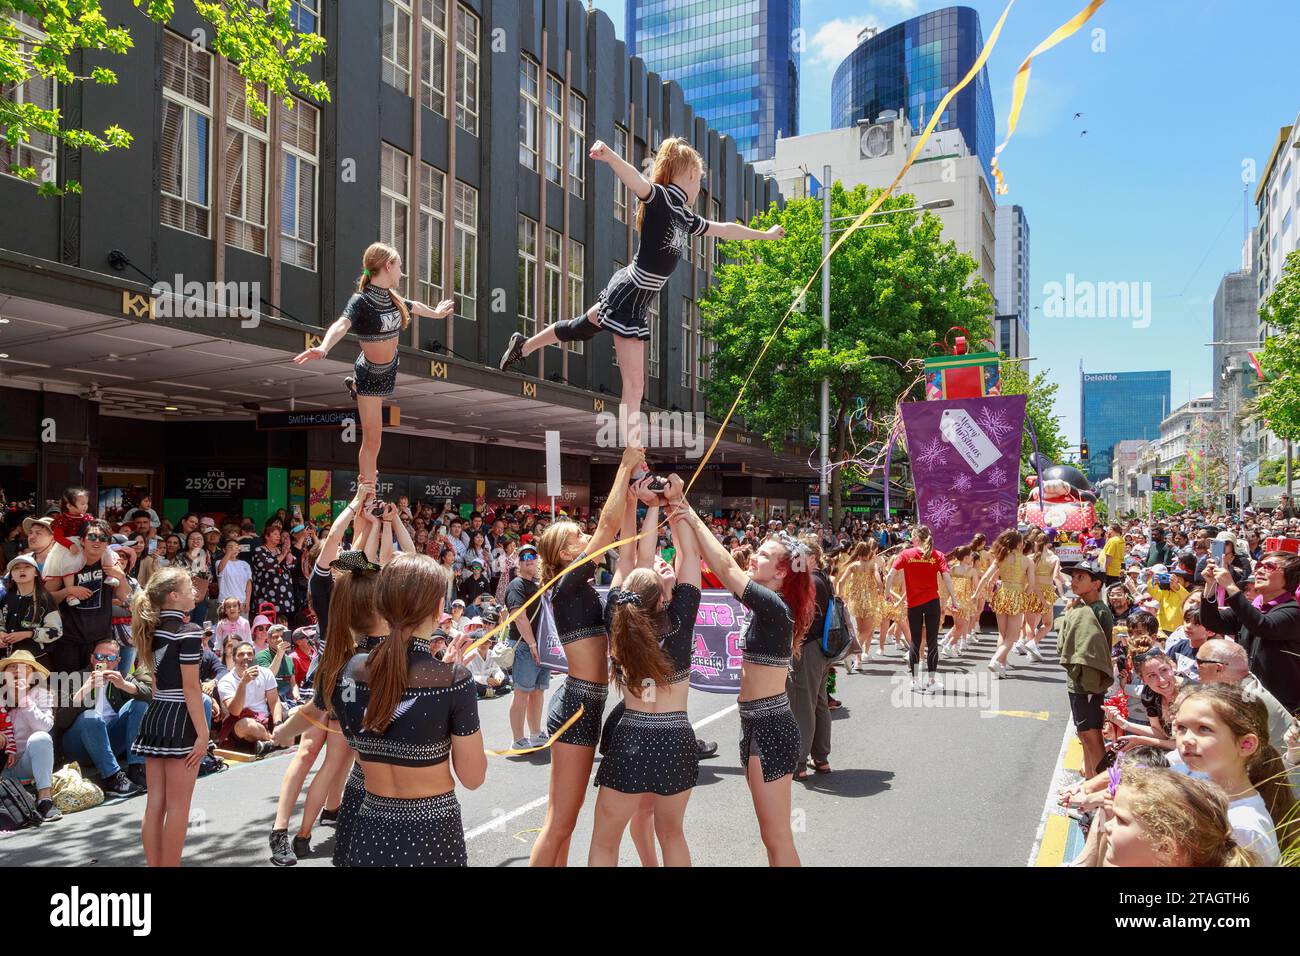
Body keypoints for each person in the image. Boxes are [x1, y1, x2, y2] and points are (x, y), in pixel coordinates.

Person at [498, 137, 784, 447]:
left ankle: (523, 345)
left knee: (582, 328)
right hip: (631, 292)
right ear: (689, 174)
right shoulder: (661, 198)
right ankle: (633, 457)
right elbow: (635, 179)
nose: (698, 189)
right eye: (699, 181)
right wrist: (609, 157)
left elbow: (726, 229)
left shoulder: (685, 216)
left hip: (634, 294)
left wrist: (764, 236)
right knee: (634, 386)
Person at [669, 477, 814, 867]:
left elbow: (727, 568)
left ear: (783, 572)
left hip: (769, 727)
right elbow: (714, 567)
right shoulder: (770, 606)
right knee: (771, 837)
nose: (754, 557)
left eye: (764, 556)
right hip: (755, 723)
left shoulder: (774, 607)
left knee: (777, 836)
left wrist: (687, 510)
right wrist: (676, 514)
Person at [330, 553, 486, 866]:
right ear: (438, 607)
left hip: (370, 828)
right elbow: (473, 776)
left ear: (381, 605)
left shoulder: (350, 670)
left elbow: (356, 743)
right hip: (433, 831)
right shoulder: (452, 680)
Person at [527, 444, 642, 867]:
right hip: (577, 704)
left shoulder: (575, 587)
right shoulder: (568, 584)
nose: (584, 536)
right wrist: (624, 467)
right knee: (560, 822)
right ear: (563, 554)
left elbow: (624, 548)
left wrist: (631, 497)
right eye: (576, 535)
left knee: (565, 821)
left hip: (584, 703)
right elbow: (608, 529)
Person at [589, 479, 702, 867]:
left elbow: (630, 562)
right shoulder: (680, 621)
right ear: (664, 597)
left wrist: (644, 504)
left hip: (633, 734)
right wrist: (673, 502)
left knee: (605, 842)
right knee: (672, 835)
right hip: (676, 735)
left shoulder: (618, 620)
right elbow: (689, 554)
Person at [293, 242, 454, 481]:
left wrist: (437, 313)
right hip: (371, 374)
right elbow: (342, 324)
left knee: (376, 436)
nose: (402, 272)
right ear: (388, 266)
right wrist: (324, 347)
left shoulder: (391, 297)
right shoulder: (362, 300)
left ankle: (355, 387)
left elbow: (414, 306)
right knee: (373, 438)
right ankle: (367, 489)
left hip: (389, 368)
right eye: (400, 266)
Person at [129, 567, 209, 866]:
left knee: (155, 805)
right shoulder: (189, 631)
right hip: (179, 719)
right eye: (189, 588)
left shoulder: (151, 627)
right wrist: (203, 734)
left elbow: (160, 684)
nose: (195, 592)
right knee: (178, 807)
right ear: (174, 596)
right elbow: (191, 687)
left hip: (157, 714)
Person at [1171, 682, 1295, 865]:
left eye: (1204, 729)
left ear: (1246, 745)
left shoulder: (1243, 827)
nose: (1186, 740)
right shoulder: (1195, 779)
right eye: (1181, 728)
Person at [1200, 550, 1300, 714]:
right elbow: (1212, 621)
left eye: (1269, 566)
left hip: (1281, 706)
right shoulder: (1253, 608)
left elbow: (1262, 626)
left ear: (1289, 576)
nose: (1259, 570)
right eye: (1259, 565)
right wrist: (1210, 584)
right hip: (1248, 698)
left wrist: (1231, 586)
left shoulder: (1293, 611)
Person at [61, 637, 151, 796]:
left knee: (139, 705)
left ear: (117, 661)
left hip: (109, 743)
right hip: (78, 746)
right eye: (99, 657)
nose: (103, 661)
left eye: (109, 658)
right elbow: (60, 719)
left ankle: (136, 770)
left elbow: (150, 696)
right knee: (92, 716)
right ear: (91, 658)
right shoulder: (77, 677)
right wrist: (85, 689)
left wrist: (124, 685)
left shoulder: (121, 676)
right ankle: (112, 778)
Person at [47, 520, 130, 675]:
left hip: (100, 644)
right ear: (82, 540)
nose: (97, 541)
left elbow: (124, 596)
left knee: (98, 685)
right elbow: (46, 598)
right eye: (92, 537)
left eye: (102, 538)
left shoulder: (111, 563)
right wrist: (69, 590)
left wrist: (122, 577)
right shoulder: (66, 562)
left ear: (107, 543)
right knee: (68, 688)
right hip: (68, 641)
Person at [1056, 560, 1115, 778]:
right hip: (1078, 682)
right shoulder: (1081, 607)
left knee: (1092, 735)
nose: (1074, 581)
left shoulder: (1099, 611)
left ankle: (1099, 788)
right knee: (1084, 734)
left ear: (1096, 584)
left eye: (1081, 577)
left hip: (1088, 681)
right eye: (1073, 577)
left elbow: (1095, 650)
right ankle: (1090, 782)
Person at [788, 535, 835, 780]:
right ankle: (821, 757)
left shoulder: (813, 581)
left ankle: (799, 762)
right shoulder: (822, 578)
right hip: (822, 648)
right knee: (818, 702)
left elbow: (806, 618)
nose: (796, 559)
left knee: (802, 704)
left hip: (808, 648)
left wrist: (796, 642)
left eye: (800, 555)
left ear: (813, 557)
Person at [889, 525, 957, 693]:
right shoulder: (937, 555)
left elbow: (890, 573)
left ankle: (914, 680)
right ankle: (932, 680)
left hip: (913, 604)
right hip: (932, 602)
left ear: (916, 538)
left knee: (915, 642)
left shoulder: (906, 554)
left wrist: (886, 593)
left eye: (912, 537)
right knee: (932, 642)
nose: (911, 540)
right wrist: (954, 599)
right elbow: (946, 577)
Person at [0, 649, 60, 820]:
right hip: (2, 764)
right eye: (12, 667)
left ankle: (45, 799)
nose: (18, 671)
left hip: (25, 765)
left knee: (41, 737)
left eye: (25, 668)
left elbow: (45, 727)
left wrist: (24, 700)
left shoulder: (42, 694)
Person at [504, 542, 550, 750]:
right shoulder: (517, 585)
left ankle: (535, 733)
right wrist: (532, 644)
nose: (529, 559)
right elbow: (519, 617)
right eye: (524, 557)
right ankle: (517, 738)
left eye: (533, 556)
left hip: (540, 644)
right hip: (525, 645)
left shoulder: (539, 584)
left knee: (538, 691)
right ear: (518, 563)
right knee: (522, 691)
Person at [975, 529, 1037, 679]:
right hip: (1017, 595)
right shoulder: (1027, 561)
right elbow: (1032, 585)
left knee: (1002, 634)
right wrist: (1024, 596)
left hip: (1002, 594)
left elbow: (985, 578)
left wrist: (976, 594)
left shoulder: (1000, 558)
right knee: (1012, 637)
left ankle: (1001, 667)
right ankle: (996, 659)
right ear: (1020, 544)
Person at [216, 641, 282, 754]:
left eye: (249, 654)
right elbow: (235, 711)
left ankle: (268, 742)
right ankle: (274, 741)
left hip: (265, 720)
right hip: (240, 725)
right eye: (241, 654)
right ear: (234, 658)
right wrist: (243, 683)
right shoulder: (226, 681)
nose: (246, 657)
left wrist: (278, 724)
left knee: (297, 712)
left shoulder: (266, 673)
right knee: (247, 725)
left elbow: (274, 701)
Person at [1, 554, 55, 666]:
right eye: (16, 568)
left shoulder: (45, 598)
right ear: (11, 575)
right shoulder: (7, 597)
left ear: (36, 573)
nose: (21, 570)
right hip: (8, 659)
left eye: (27, 567)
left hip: (36, 659)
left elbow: (56, 630)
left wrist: (28, 634)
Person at [251, 523, 296, 620]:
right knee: (267, 620)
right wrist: (283, 553)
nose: (278, 536)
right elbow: (269, 565)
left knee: (282, 622)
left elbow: (291, 564)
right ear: (267, 536)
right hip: (267, 592)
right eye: (275, 534)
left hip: (284, 593)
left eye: (279, 534)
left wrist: (287, 551)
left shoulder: (281, 550)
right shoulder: (259, 550)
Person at [216, 537, 252, 615]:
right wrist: (229, 553)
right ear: (224, 550)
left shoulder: (245, 564)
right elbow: (220, 569)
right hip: (225, 602)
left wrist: (247, 602)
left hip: (241, 602)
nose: (233, 549)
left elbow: (248, 584)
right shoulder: (219, 562)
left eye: (236, 547)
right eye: (230, 547)